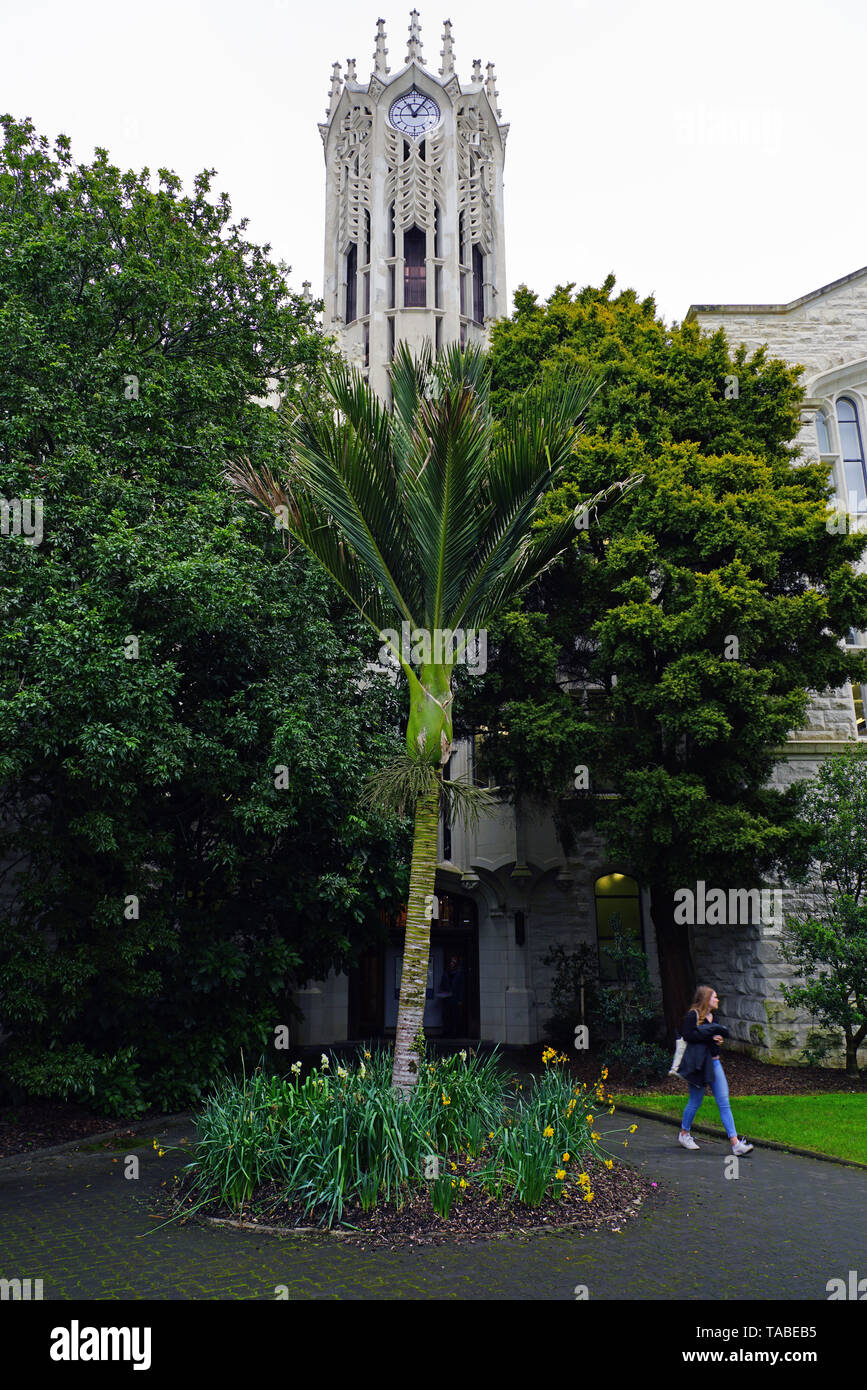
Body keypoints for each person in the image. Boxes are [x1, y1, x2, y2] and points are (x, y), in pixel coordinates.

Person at [677, 985, 753, 1155]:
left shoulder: (713, 1017)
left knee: (724, 1101)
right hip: (699, 1065)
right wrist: (710, 1036)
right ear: (706, 999)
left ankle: (735, 1143)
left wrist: (717, 1041)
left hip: (715, 1063)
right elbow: (689, 1036)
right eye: (714, 997)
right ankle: (684, 1133)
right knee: (695, 1100)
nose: (717, 1000)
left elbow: (709, 1039)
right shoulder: (693, 1016)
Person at [440, 954, 465, 1038]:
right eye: (451, 962)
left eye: (453, 962)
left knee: (455, 1016)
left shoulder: (459, 975)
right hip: (447, 999)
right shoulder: (445, 974)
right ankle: (447, 1032)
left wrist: (460, 1000)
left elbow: (461, 988)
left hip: (455, 999)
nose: (452, 963)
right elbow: (442, 986)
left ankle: (456, 1033)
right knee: (447, 1016)